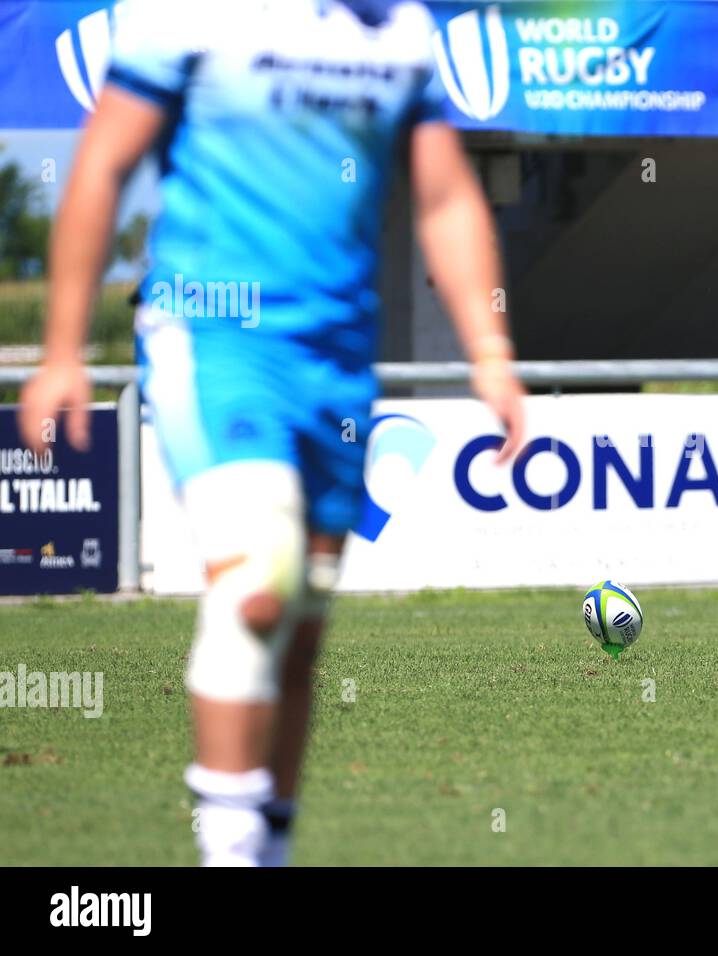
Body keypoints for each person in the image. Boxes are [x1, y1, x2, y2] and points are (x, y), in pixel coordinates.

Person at [19, 0, 525, 865]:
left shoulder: (401, 30)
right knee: (260, 580)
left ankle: (268, 846)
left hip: (335, 361)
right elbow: (102, 164)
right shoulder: (187, 14)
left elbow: (443, 197)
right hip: (210, 337)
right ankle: (228, 850)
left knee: (301, 621)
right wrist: (62, 348)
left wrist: (489, 348)